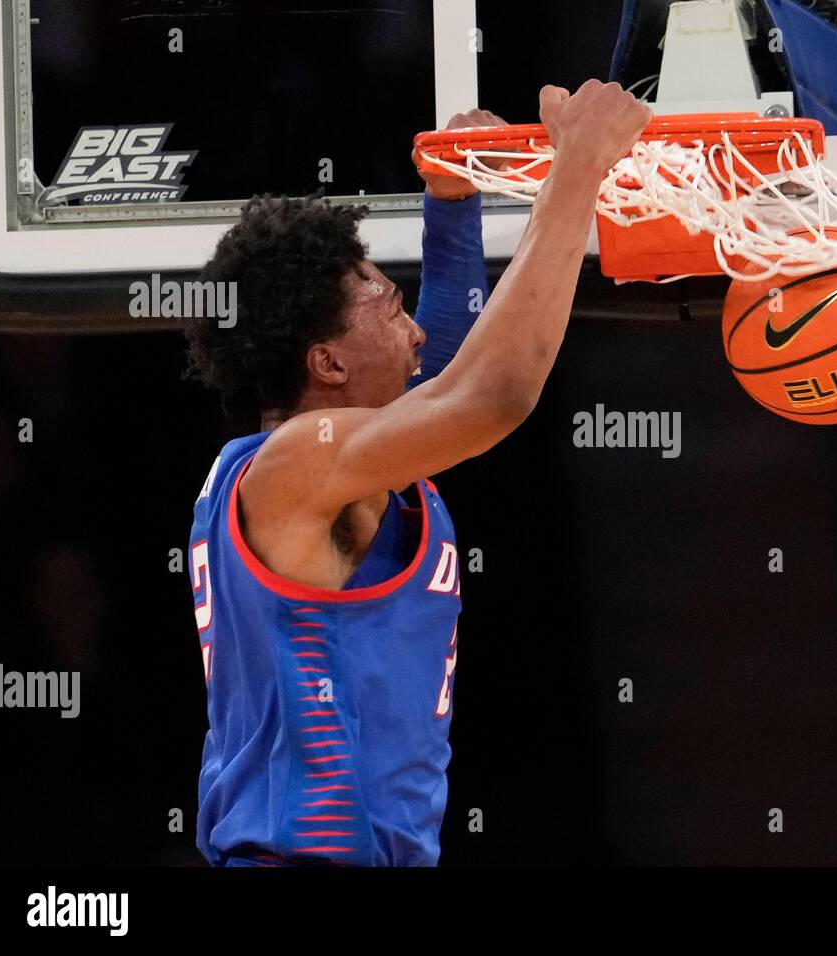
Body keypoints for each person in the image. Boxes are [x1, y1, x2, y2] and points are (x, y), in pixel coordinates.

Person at [182, 82, 652, 866]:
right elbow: (491, 390)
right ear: (327, 362)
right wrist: (580, 167)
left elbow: (454, 373)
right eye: (391, 308)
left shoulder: (329, 463)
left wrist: (453, 201)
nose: (414, 335)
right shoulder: (299, 461)